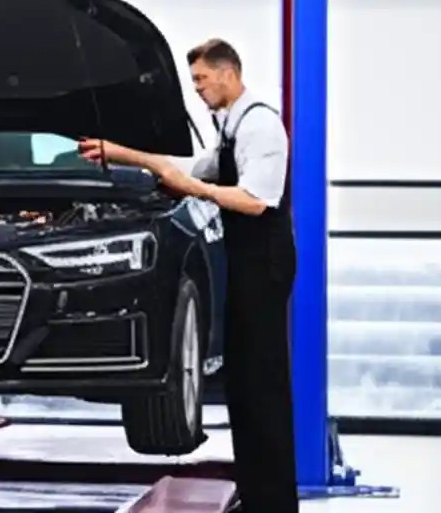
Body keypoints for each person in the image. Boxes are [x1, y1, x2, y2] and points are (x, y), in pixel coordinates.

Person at [76, 38, 298, 512]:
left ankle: (276, 504)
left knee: (263, 388)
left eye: (200, 79)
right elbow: (179, 166)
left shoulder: (260, 124)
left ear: (227, 73)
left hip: (265, 264)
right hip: (246, 264)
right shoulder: (229, 127)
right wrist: (118, 152)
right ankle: (259, 497)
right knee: (244, 389)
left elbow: (257, 199)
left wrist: (194, 189)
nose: (196, 88)